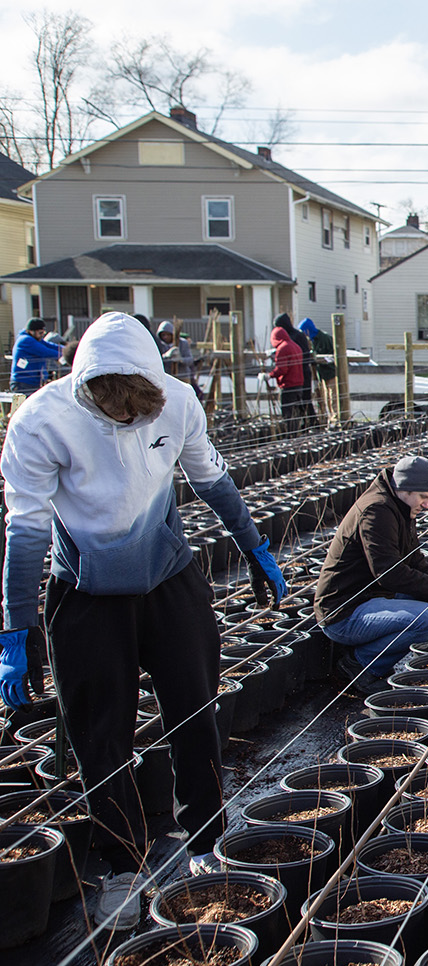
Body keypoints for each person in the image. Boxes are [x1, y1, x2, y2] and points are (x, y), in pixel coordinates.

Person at [0, 311, 287, 930]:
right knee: (100, 736)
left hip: (167, 580)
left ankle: (206, 840)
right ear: (91, 389)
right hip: (88, 593)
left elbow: (211, 477)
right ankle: (122, 864)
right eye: (116, 408)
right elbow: (24, 529)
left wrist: (254, 545)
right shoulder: (41, 422)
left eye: (140, 407)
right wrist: (15, 627)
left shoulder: (177, 401)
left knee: (195, 711)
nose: (128, 418)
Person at [314, 455, 428, 692]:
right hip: (343, 612)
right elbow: (390, 574)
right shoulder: (377, 510)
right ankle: (361, 665)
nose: (427, 505)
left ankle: (369, 654)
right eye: (423, 497)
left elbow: (414, 559)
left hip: (371, 598)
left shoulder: (399, 506)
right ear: (405, 488)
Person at [269, 313, 309, 434]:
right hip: (299, 383)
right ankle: (297, 432)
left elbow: (282, 369)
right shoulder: (295, 346)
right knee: (297, 411)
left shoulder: (283, 348)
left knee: (288, 413)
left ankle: (291, 435)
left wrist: (269, 375)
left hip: (289, 384)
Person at [9, 317, 62, 395]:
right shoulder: (26, 340)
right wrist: (66, 356)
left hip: (31, 382)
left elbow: (51, 346)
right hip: (23, 384)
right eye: (40, 333)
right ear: (31, 331)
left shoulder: (35, 339)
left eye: (43, 333)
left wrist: (69, 350)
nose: (42, 335)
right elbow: (45, 351)